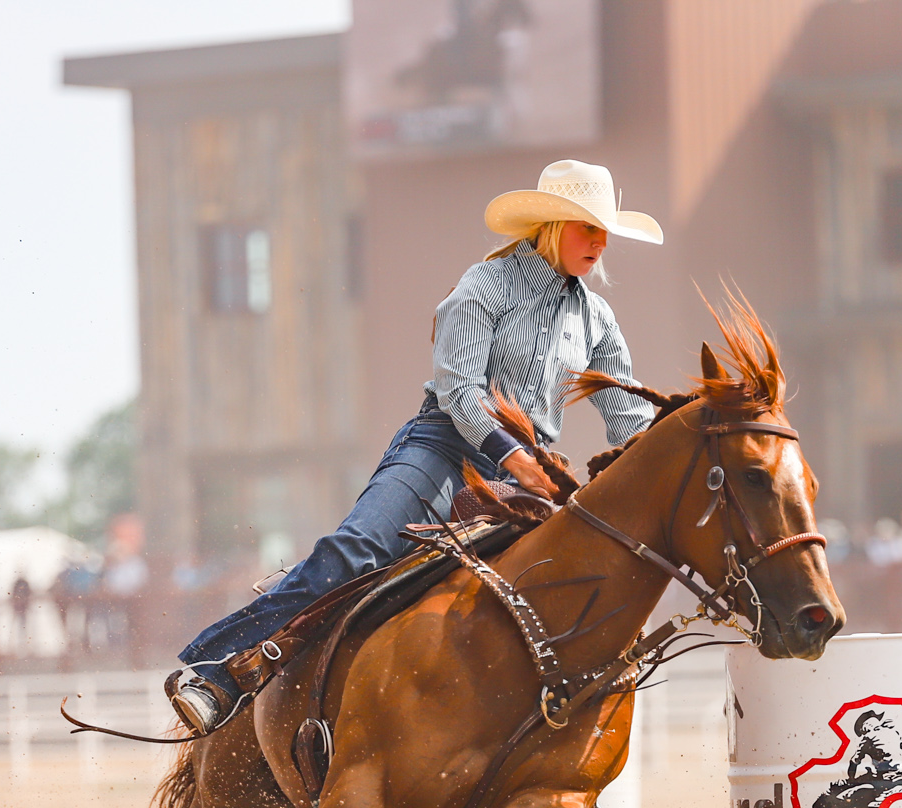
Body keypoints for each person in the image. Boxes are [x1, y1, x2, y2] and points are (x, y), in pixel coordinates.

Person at [167, 159, 662, 735]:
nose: (600, 242)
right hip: (446, 448)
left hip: (531, 470)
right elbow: (459, 392)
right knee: (357, 550)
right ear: (549, 225)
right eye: (587, 227)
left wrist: (658, 462)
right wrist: (519, 461)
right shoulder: (484, 288)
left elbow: (628, 415)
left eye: (605, 231)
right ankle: (217, 673)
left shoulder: (597, 317)